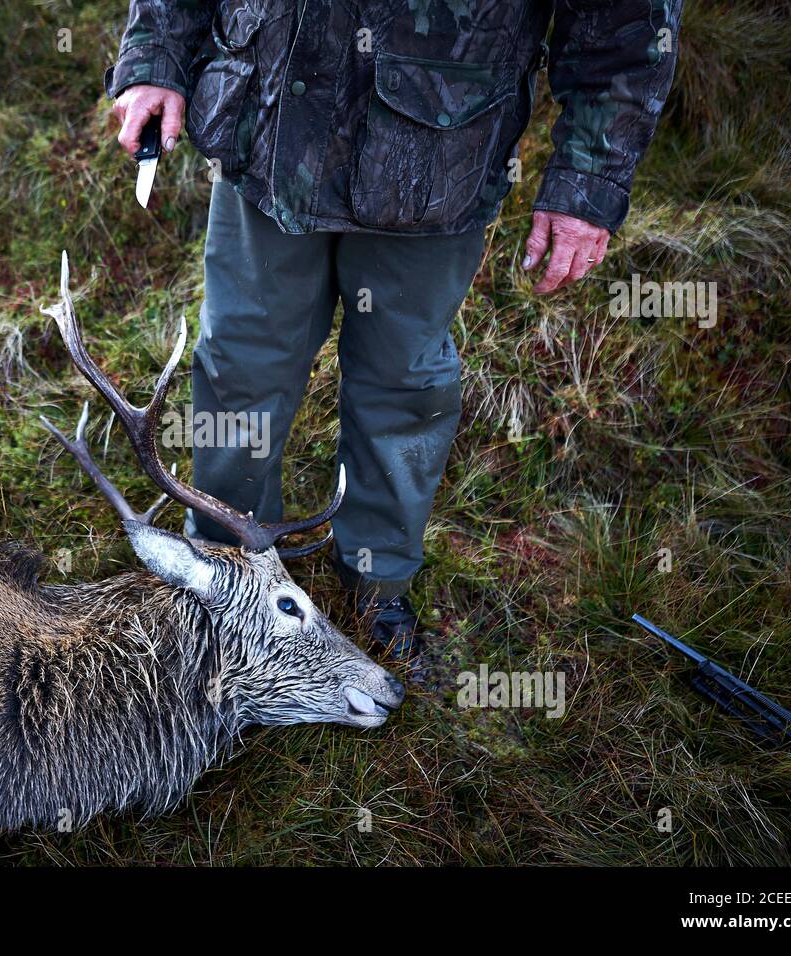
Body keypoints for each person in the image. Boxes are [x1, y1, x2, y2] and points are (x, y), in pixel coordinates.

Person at [105, 0, 682, 665]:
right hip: (268, 127)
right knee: (241, 364)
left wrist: (588, 177)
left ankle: (375, 582)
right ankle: (223, 571)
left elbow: (628, 22)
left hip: (441, 156)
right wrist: (157, 53)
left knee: (401, 384)